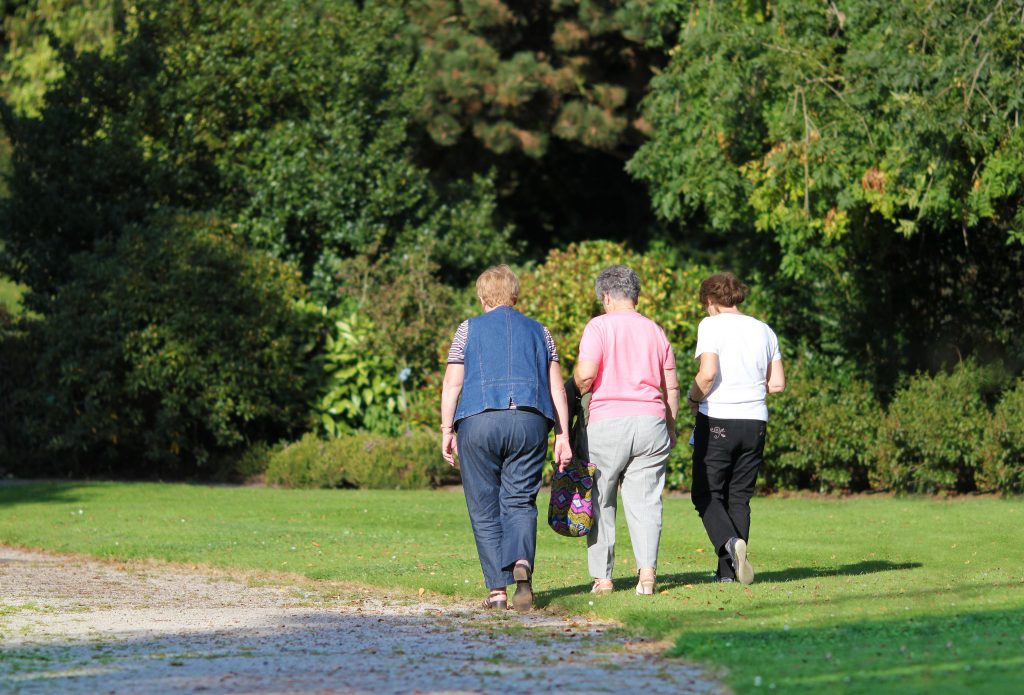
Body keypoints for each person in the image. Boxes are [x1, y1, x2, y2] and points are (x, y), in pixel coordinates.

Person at [440, 265, 572, 612]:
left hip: (478, 420)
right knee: (519, 501)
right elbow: (557, 386)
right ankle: (522, 565)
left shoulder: (466, 330)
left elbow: (453, 383)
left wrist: (445, 429)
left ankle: (498, 591)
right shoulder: (540, 332)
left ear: (483, 296)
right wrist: (563, 434)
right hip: (529, 421)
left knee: (484, 506)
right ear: (515, 295)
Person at [573, 265, 679, 596]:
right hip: (651, 420)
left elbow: (587, 376)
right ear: (635, 295)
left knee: (601, 499)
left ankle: (603, 578)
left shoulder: (598, 327)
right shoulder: (656, 331)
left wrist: (573, 389)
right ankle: (646, 574)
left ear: (606, 296)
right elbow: (671, 387)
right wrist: (671, 426)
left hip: (608, 422)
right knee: (646, 500)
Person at [687, 272, 785, 585]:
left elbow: (708, 373)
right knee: (739, 497)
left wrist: (692, 397)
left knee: (705, 493)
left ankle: (730, 542)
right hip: (755, 421)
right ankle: (727, 574)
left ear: (711, 300)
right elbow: (777, 384)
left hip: (718, 418)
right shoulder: (764, 330)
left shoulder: (711, 325)